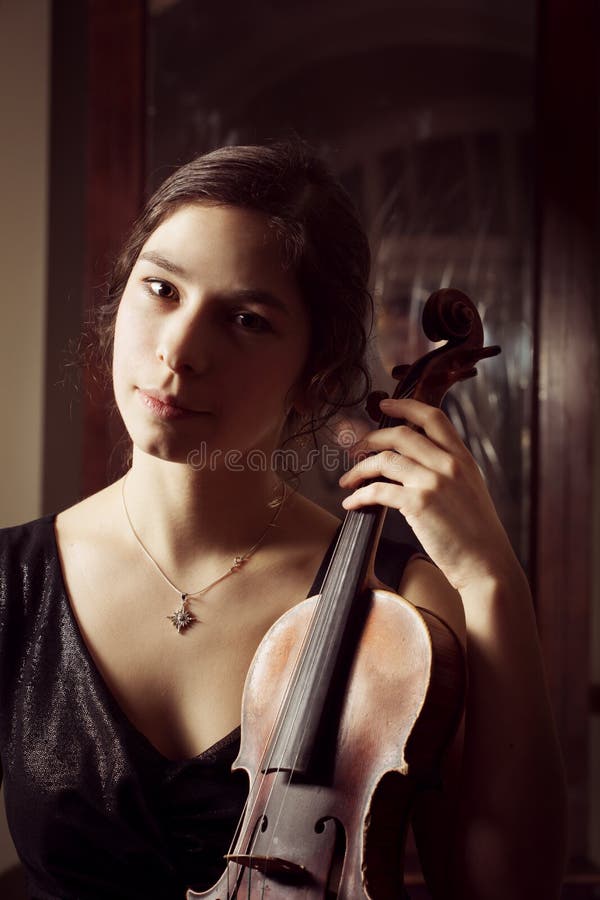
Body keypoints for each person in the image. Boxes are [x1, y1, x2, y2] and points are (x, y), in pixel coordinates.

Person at [0, 141, 566, 899]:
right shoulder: (13, 584)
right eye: (161, 289)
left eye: (246, 319)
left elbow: (503, 890)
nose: (178, 349)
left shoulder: (402, 609)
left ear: (318, 374)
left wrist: (492, 579)